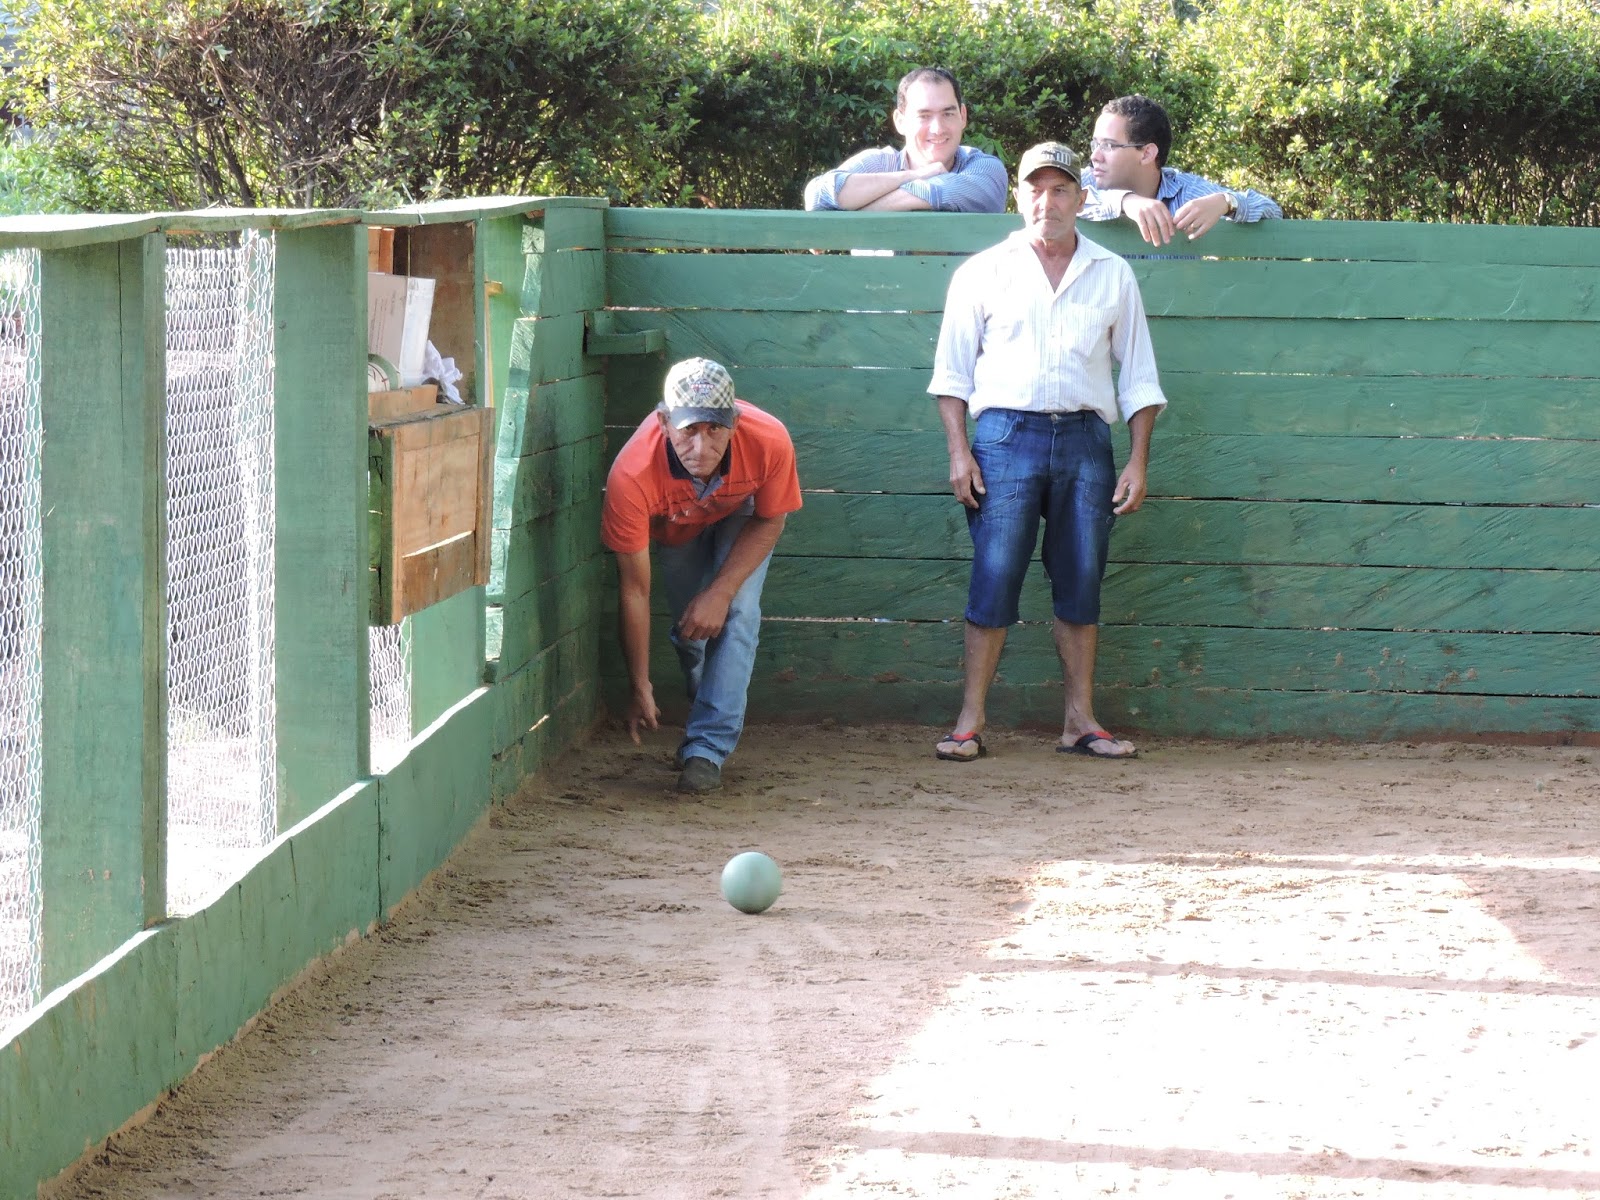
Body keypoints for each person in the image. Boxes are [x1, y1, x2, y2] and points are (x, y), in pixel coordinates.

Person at [929, 143, 1167, 763]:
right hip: (1004, 439)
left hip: (1088, 443)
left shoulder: (1113, 272)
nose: (1047, 200)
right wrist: (961, 454)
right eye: (1036, 188)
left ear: (1081, 199)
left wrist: (1138, 460)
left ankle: (1080, 722)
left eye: (1061, 189)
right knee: (995, 575)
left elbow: (1140, 379)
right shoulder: (982, 272)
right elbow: (951, 377)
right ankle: (969, 721)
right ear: (1019, 196)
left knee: (1082, 579)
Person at [601, 358, 803, 793]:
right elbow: (635, 590)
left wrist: (723, 589)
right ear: (663, 421)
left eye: (715, 430)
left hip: (743, 516)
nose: (701, 447)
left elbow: (771, 520)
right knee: (692, 629)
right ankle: (706, 693)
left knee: (736, 613)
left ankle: (706, 749)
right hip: (676, 527)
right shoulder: (631, 474)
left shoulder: (769, 439)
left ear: (736, 421)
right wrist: (639, 683)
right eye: (688, 430)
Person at [1083, 94, 1281, 245]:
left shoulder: (1185, 191)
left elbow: (1272, 212)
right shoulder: (1084, 182)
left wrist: (1227, 202)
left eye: (1108, 145)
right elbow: (1057, 197)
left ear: (1147, 153)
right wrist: (1126, 201)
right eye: (1096, 144)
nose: (1095, 156)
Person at [803, 67, 1008, 213]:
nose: (937, 129)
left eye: (948, 114)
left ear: (963, 116)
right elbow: (817, 195)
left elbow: (950, 190)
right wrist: (913, 175)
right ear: (900, 121)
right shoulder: (877, 164)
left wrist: (861, 210)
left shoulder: (984, 168)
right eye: (924, 116)